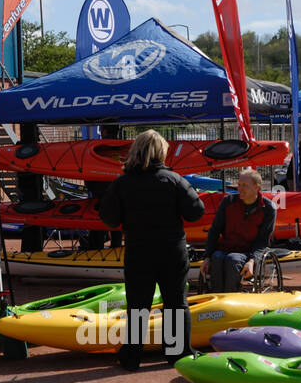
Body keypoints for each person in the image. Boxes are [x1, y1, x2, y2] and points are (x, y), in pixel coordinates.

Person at [98, 130, 205, 370]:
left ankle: (131, 356)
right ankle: (177, 353)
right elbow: (196, 212)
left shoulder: (122, 183)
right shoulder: (175, 180)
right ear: (161, 152)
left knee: (138, 304)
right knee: (175, 302)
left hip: (139, 250)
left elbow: (109, 218)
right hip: (171, 249)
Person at [202, 169, 276, 292]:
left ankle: (231, 297)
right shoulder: (228, 202)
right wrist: (207, 256)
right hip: (225, 248)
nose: (240, 189)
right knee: (216, 257)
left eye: (245, 185)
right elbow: (214, 230)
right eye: (239, 184)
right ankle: (217, 296)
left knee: (233, 259)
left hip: (249, 252)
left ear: (257, 187)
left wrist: (252, 260)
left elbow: (262, 241)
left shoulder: (268, 208)